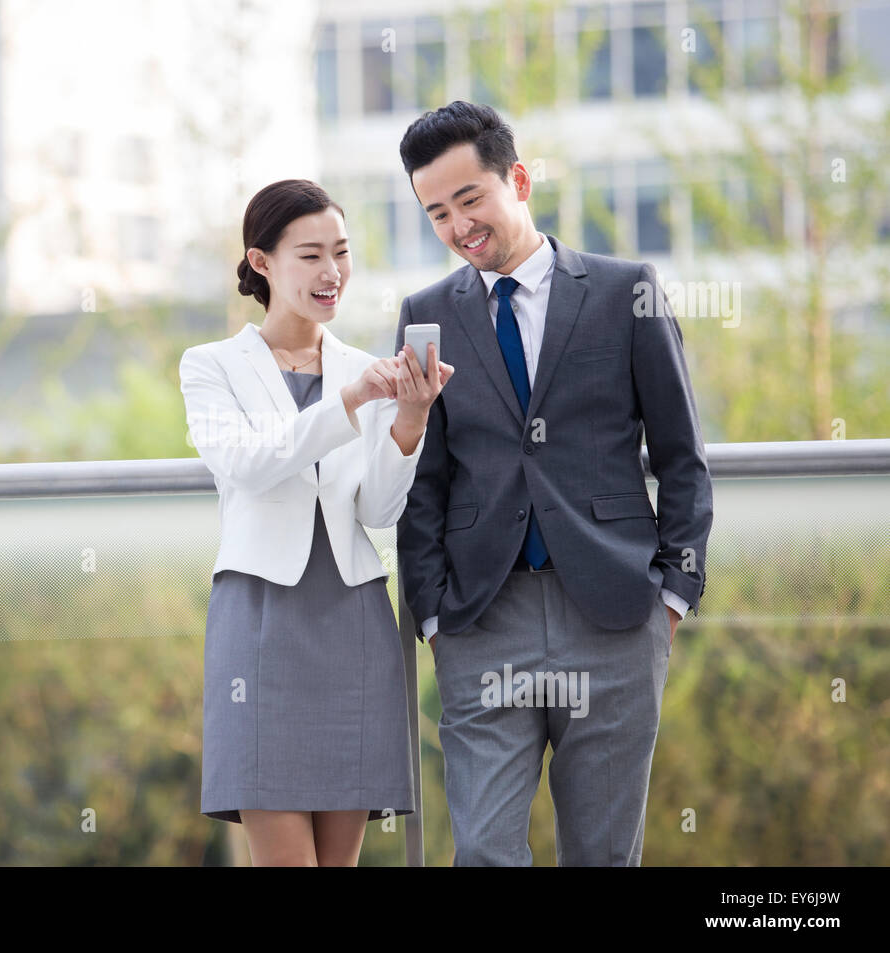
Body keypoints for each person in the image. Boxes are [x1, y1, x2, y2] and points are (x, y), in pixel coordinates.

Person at [393, 102, 713, 865]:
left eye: (470, 199)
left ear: (519, 181)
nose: (458, 225)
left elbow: (681, 457)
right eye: (437, 212)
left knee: (603, 855)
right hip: (481, 620)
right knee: (485, 853)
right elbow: (420, 481)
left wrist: (673, 596)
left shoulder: (624, 291)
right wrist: (432, 615)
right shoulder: (425, 316)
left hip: (613, 612)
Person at [179, 179, 453, 866]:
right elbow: (248, 465)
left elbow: (377, 510)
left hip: (352, 618)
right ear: (263, 263)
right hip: (261, 620)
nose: (332, 273)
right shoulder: (211, 366)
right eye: (310, 256)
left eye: (341, 252)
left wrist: (409, 423)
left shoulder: (363, 369)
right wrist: (352, 403)